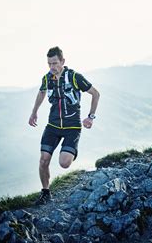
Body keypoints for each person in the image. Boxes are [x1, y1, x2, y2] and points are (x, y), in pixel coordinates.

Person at [28, 46, 100, 205]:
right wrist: (34, 113)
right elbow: (41, 93)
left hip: (72, 127)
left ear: (63, 61)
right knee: (43, 160)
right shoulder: (47, 78)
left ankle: (71, 151)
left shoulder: (74, 77)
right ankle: (45, 192)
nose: (52, 67)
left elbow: (95, 93)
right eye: (49, 64)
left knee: (64, 163)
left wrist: (91, 117)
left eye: (55, 63)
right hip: (52, 126)